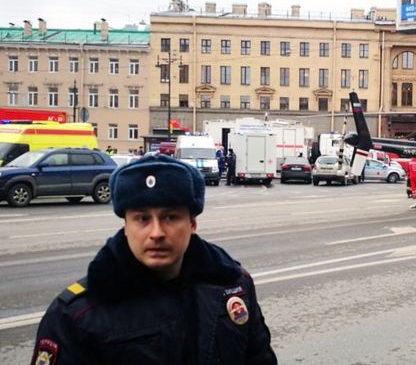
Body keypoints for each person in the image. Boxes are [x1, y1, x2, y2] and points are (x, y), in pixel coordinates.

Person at [31, 155, 278, 365]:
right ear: (125, 226)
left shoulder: (232, 286)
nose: (157, 232)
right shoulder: (76, 314)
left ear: (192, 223)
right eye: (142, 219)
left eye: (170, 217)